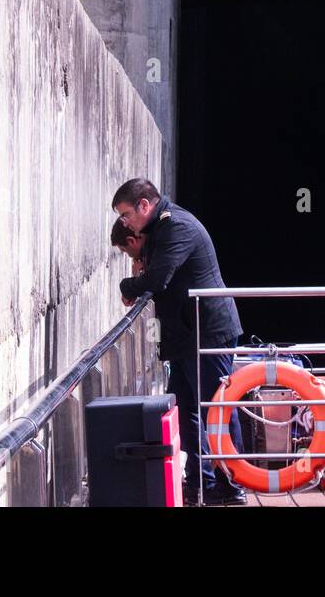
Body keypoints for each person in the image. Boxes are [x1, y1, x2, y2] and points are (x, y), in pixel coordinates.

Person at [112, 177, 247, 506]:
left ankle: (235, 485)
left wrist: (128, 286)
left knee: (217, 408)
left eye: (126, 214)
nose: (124, 222)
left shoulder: (176, 226)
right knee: (186, 410)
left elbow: (159, 279)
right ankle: (201, 481)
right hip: (187, 337)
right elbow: (155, 273)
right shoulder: (159, 229)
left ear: (145, 205)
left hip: (208, 333)